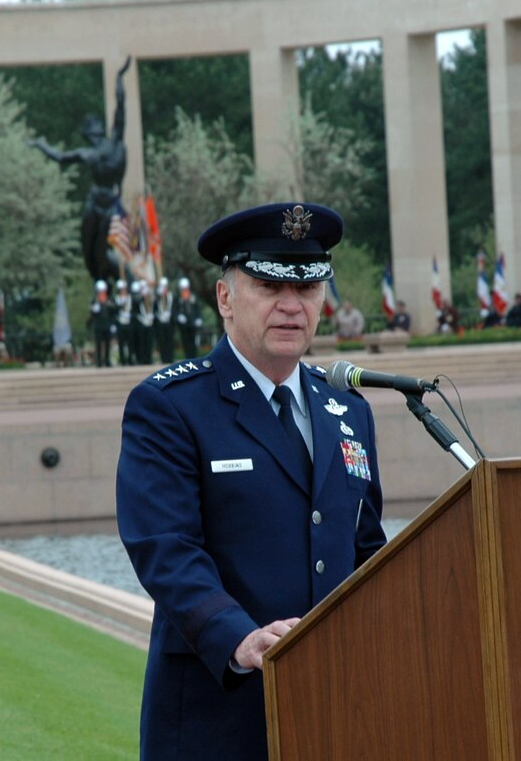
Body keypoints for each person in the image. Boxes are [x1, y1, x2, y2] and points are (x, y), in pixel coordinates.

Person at [117, 201, 387, 761]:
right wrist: (235, 635)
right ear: (225, 297)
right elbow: (165, 549)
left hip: (338, 709)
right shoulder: (171, 406)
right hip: (220, 712)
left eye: (308, 289)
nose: (292, 306)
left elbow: (366, 549)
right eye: (269, 285)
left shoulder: (348, 410)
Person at [29, 56, 132, 283]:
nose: (93, 135)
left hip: (109, 204)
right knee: (88, 245)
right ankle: (100, 282)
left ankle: (115, 280)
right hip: (94, 202)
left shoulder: (113, 142)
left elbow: (121, 106)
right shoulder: (88, 154)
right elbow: (61, 157)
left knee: (102, 248)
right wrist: (41, 144)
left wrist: (119, 77)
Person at [174, 276, 204, 359]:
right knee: (185, 342)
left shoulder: (193, 296)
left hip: (193, 323)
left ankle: (194, 357)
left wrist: (199, 318)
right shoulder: (178, 298)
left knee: (193, 341)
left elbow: (197, 309)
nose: (185, 290)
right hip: (183, 325)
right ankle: (188, 357)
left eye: (186, 288)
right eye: (183, 288)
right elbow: (175, 310)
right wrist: (178, 316)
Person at [88, 280, 116, 367]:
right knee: (99, 344)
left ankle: (107, 360)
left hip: (107, 325)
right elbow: (92, 315)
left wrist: (113, 324)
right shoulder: (94, 301)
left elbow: (113, 312)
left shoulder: (110, 300)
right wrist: (94, 309)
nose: (102, 293)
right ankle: (99, 362)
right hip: (98, 326)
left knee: (108, 344)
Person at [132, 280, 155, 365]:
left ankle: (148, 359)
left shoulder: (150, 300)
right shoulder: (138, 300)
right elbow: (135, 311)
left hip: (149, 324)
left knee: (149, 342)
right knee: (141, 343)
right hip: (140, 325)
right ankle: (141, 359)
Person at [153, 277, 175, 363]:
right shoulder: (157, 299)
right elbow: (154, 310)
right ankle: (163, 359)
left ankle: (170, 358)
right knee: (162, 342)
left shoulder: (171, 297)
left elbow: (175, 308)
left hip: (169, 323)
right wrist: (159, 315)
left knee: (169, 341)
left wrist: (170, 314)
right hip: (160, 324)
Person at [115, 279, 134, 365]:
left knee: (130, 343)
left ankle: (130, 359)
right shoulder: (116, 299)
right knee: (121, 344)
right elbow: (114, 311)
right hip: (120, 324)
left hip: (129, 323)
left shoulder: (130, 298)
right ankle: (123, 361)